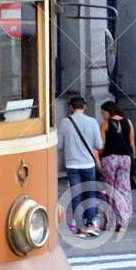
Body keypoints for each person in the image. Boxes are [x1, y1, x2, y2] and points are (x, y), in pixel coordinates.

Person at [59, 95, 103, 235]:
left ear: (71, 107)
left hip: (72, 165)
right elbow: (99, 145)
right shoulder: (92, 122)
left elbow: (59, 145)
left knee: (76, 194)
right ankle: (91, 223)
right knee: (90, 193)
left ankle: (79, 225)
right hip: (89, 164)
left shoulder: (65, 122)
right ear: (84, 107)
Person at [99, 100, 135, 232]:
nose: (103, 115)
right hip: (125, 158)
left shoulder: (105, 124)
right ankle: (124, 221)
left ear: (109, 111)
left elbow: (102, 145)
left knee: (110, 190)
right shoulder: (128, 122)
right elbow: (132, 143)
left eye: (103, 112)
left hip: (110, 158)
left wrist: (97, 154)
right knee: (124, 190)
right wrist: (133, 158)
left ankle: (111, 222)